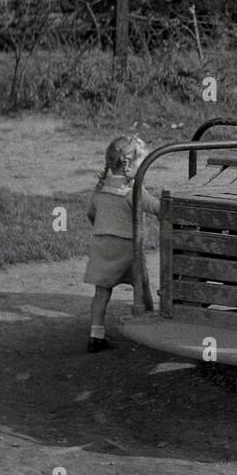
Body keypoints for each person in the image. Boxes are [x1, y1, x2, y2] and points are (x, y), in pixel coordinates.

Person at [84, 134, 159, 351]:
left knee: (102, 291)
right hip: (128, 247)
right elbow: (154, 207)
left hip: (101, 244)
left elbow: (91, 213)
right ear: (132, 164)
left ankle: (95, 335)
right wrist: (171, 206)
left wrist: (103, 231)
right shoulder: (133, 190)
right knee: (141, 283)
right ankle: (149, 322)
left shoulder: (100, 187)